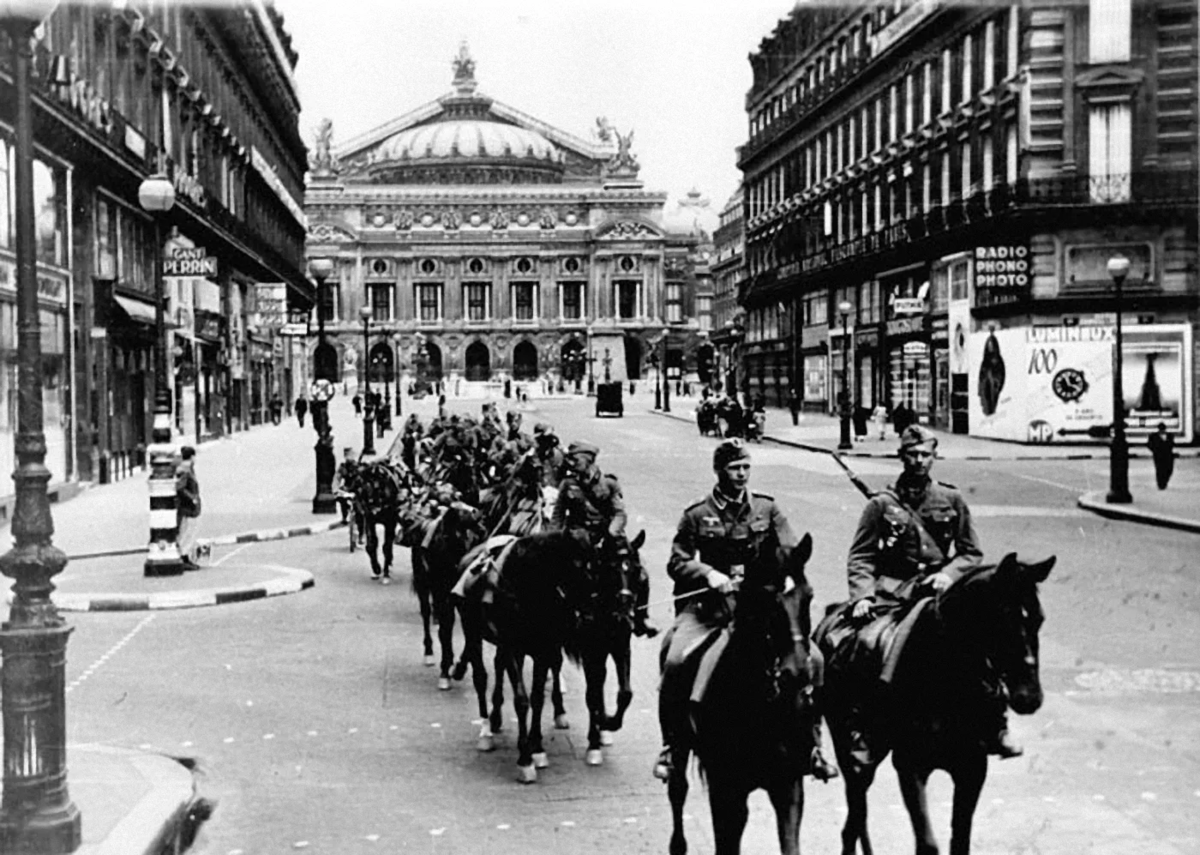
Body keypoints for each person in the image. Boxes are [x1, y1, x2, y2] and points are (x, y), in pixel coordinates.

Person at [653, 439, 837, 783]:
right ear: (719, 470)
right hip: (709, 608)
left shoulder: (767, 509)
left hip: (757, 608)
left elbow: (789, 549)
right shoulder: (697, 514)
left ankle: (813, 745)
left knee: (813, 659)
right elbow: (677, 562)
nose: (741, 475)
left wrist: (779, 577)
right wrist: (709, 574)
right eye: (735, 468)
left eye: (746, 467)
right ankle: (672, 746)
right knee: (676, 658)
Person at [844, 425, 1019, 759]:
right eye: (913, 454)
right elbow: (862, 555)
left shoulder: (951, 499)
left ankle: (997, 724)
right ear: (902, 456)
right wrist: (863, 595)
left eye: (926, 454)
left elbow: (970, 552)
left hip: (938, 592)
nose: (920, 461)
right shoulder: (881, 504)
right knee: (868, 644)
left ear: (934, 457)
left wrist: (949, 575)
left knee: (982, 643)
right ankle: (867, 728)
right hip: (894, 593)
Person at [553, 441, 657, 638]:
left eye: (575, 459)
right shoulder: (567, 485)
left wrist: (610, 534)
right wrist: (552, 539)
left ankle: (641, 617)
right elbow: (558, 516)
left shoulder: (608, 484)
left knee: (639, 570)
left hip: (606, 537)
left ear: (589, 460)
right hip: (577, 539)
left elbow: (620, 514)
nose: (572, 463)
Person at [176, 446, 201, 568]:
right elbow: (180, 487)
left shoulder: (187, 468)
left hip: (189, 507)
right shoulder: (185, 470)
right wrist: (192, 498)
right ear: (191, 457)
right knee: (188, 532)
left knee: (187, 531)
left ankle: (184, 556)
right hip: (188, 507)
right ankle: (184, 557)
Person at [1148, 422, 1176, 489]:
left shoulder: (1170, 435)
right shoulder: (1153, 436)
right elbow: (1149, 444)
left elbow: (1172, 444)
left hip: (1168, 455)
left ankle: (1164, 481)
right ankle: (1161, 484)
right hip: (1158, 455)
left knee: (1169, 469)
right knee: (1159, 469)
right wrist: (1155, 450)